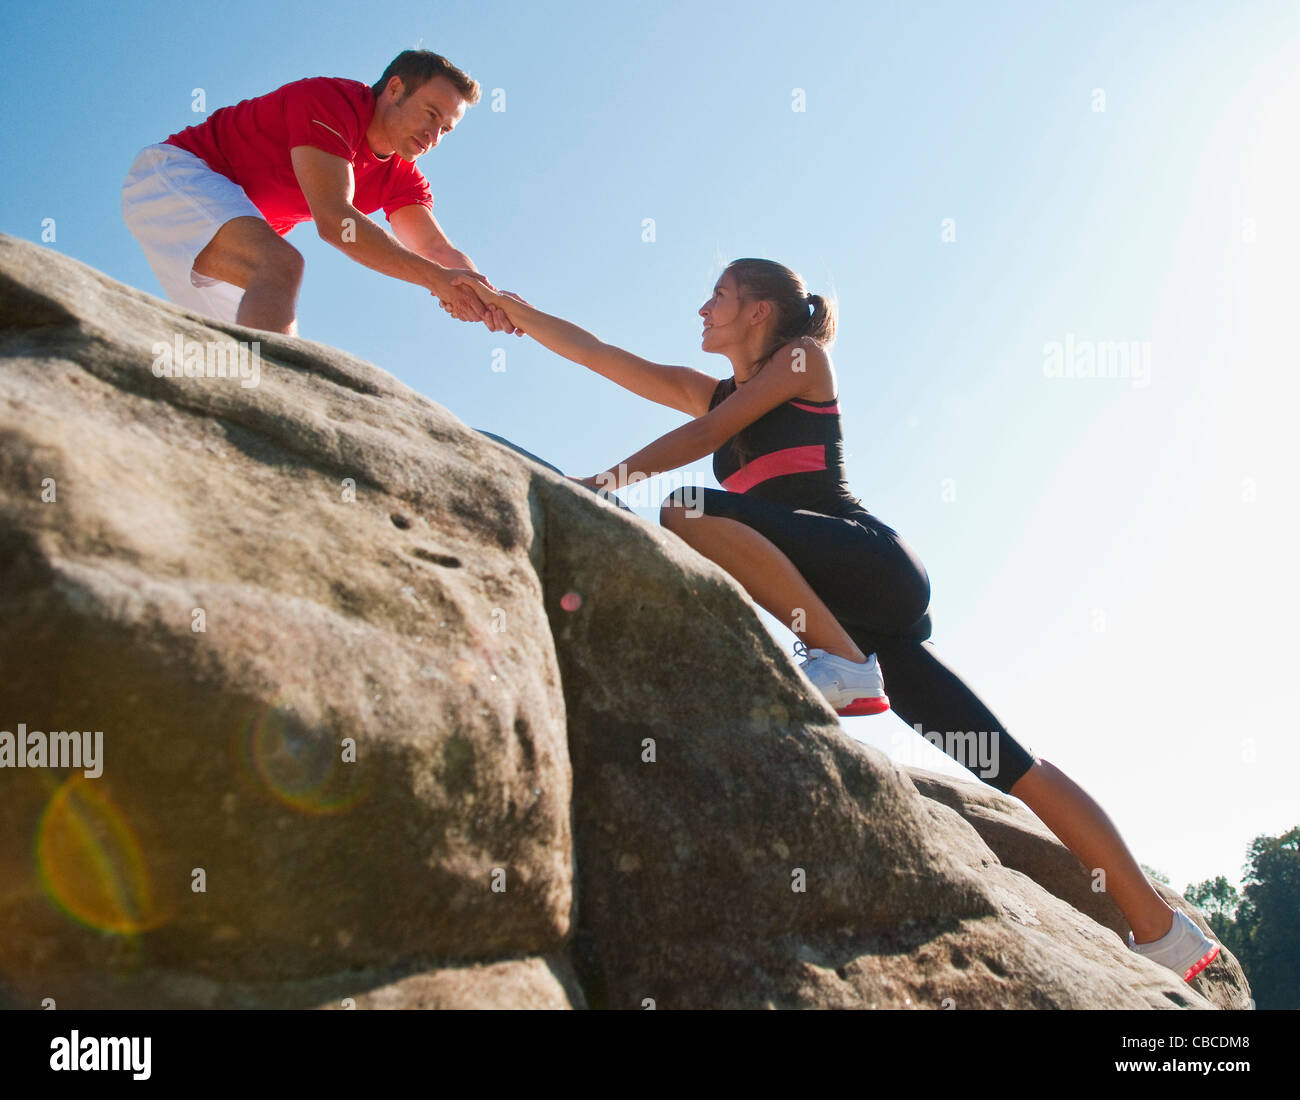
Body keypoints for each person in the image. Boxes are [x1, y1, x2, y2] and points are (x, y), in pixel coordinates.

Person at [451, 258, 1222, 984]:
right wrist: (514, 311)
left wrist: (603, 481)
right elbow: (598, 354)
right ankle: (1163, 931)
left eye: (718, 296)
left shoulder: (801, 360)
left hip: (870, 565)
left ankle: (843, 663)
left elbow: (707, 441)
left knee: (686, 508)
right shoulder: (710, 391)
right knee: (1008, 763)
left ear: (759, 310)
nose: (702, 309)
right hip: (853, 610)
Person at [120, 49, 522, 337]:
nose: (433, 136)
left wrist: (489, 298)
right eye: (431, 114)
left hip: (227, 230)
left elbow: (434, 248)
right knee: (281, 266)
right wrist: (437, 281)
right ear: (395, 88)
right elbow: (335, 221)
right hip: (176, 176)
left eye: (445, 129)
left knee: (250, 350)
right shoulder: (333, 103)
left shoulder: (402, 177)